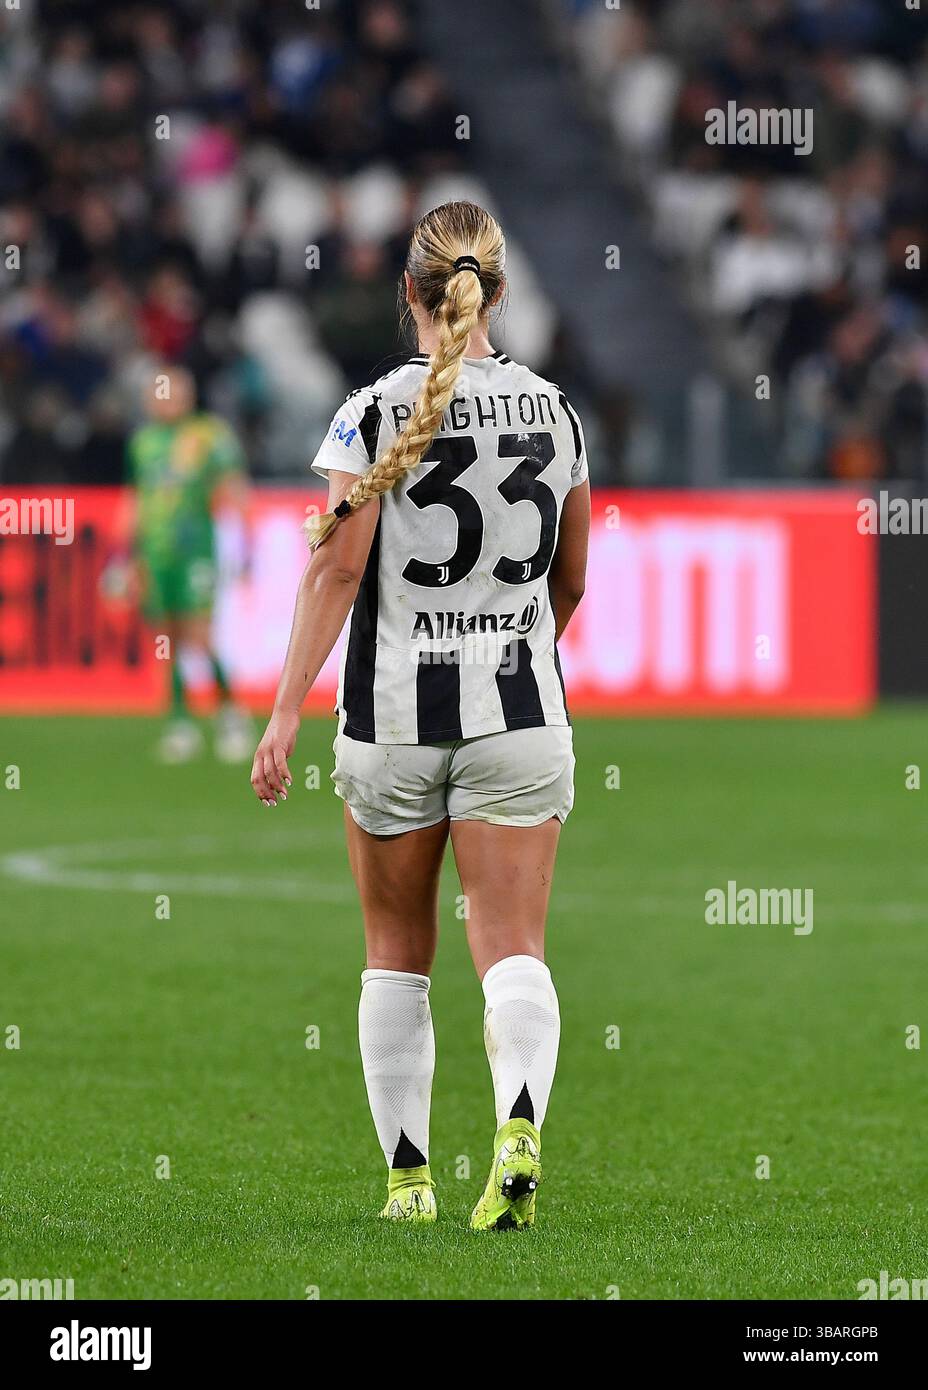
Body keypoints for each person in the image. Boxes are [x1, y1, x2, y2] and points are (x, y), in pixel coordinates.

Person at [251, 202, 590, 1229]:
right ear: (496, 289)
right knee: (514, 946)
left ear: (411, 292)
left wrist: (280, 716)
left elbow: (337, 569)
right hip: (521, 712)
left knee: (395, 949)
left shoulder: (372, 410)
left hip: (393, 720)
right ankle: (518, 1126)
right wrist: (513, 655)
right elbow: (569, 582)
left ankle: (408, 1182)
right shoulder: (555, 412)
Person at [126, 364, 253, 763]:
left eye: (171, 391)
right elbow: (137, 501)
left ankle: (231, 713)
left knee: (199, 635)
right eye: (158, 392)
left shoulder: (208, 435)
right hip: (155, 554)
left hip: (196, 550)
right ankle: (180, 721)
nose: (163, 399)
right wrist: (127, 557)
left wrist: (248, 546)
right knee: (168, 637)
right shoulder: (143, 441)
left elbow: (234, 489)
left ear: (187, 396)